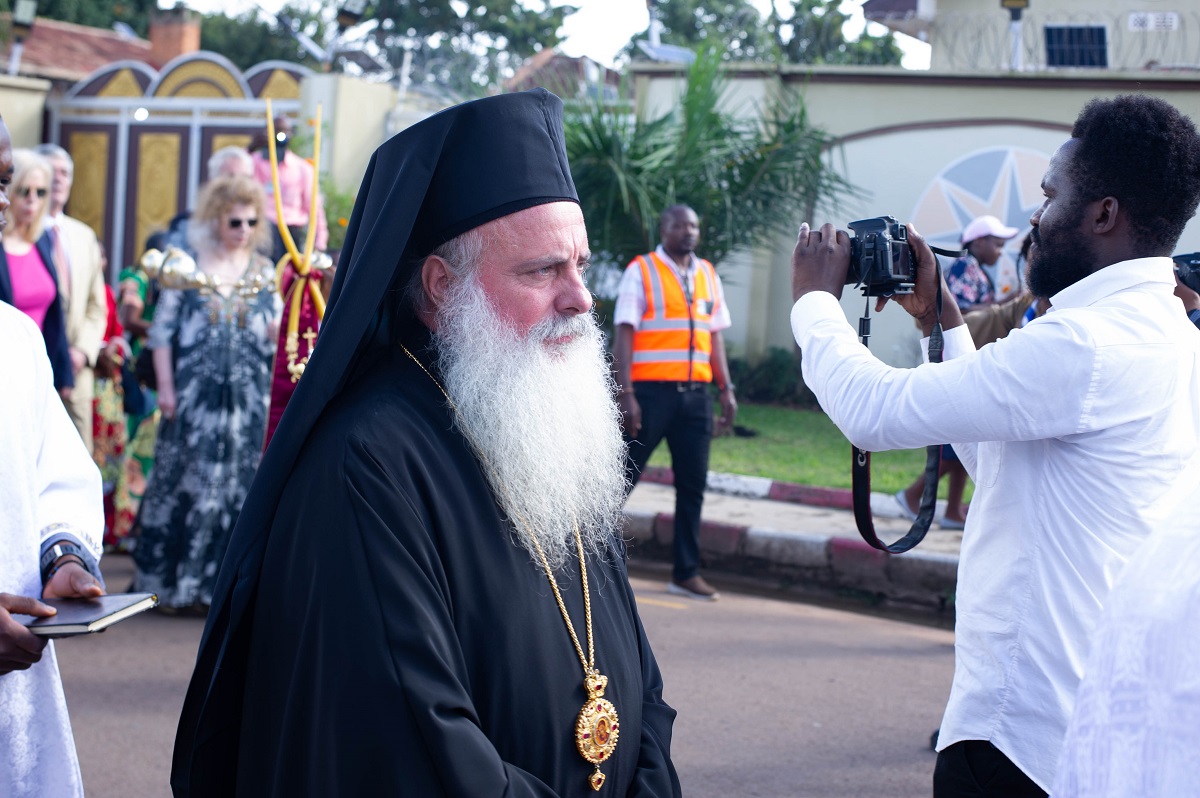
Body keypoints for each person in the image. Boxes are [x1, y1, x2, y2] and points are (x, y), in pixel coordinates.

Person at [172, 89, 680, 797]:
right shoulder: (367, 463)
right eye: (541, 271)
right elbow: (413, 740)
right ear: (442, 288)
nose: (578, 299)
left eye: (581, 266)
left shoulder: (545, 423)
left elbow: (640, 682)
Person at [789, 93, 1200, 796]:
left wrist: (814, 301)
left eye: (1049, 195)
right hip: (1090, 721)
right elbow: (1001, 459)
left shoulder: (1084, 344)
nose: (1033, 220)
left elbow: (872, 411)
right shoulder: (1169, 335)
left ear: (1103, 213)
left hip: (1019, 736)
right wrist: (940, 320)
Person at [132, 175, 280, 612]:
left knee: (237, 487)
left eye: (252, 222)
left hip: (247, 400)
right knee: (188, 484)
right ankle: (177, 587)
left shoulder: (264, 271)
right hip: (194, 398)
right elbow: (161, 335)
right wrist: (166, 389)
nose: (244, 230)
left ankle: (222, 589)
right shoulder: (188, 267)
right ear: (216, 219)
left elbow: (275, 335)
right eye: (235, 221)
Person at [611, 204, 737, 601]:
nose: (688, 231)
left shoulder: (707, 274)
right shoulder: (642, 270)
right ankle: (586, 559)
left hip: (695, 398)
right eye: (679, 224)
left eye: (694, 225)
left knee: (693, 486)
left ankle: (685, 573)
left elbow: (714, 337)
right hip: (650, 395)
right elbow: (624, 333)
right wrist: (625, 392)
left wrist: (726, 389)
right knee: (619, 480)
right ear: (662, 229)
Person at [36, 143, 109, 454]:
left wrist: (82, 351)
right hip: (34, 365)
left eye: (65, 173)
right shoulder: (18, 233)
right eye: (50, 172)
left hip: (77, 372)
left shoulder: (83, 236)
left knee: (77, 457)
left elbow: (97, 306)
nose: (58, 179)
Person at [0, 147, 73, 396]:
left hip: (40, 372)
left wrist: (63, 375)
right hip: (6, 373)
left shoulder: (41, 240)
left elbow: (55, 317)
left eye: (41, 192)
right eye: (24, 191)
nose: (33, 200)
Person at [250, 114, 328, 264]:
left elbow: (314, 207)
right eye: (275, 130)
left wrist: (320, 241)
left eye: (284, 131)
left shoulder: (302, 169)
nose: (280, 135)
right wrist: (251, 147)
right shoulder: (253, 162)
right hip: (261, 231)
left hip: (290, 234)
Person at [944, 214, 1020, 312]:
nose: (1001, 252)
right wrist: (1004, 303)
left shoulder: (973, 266)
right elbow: (960, 310)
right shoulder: (964, 264)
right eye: (999, 245)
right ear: (979, 242)